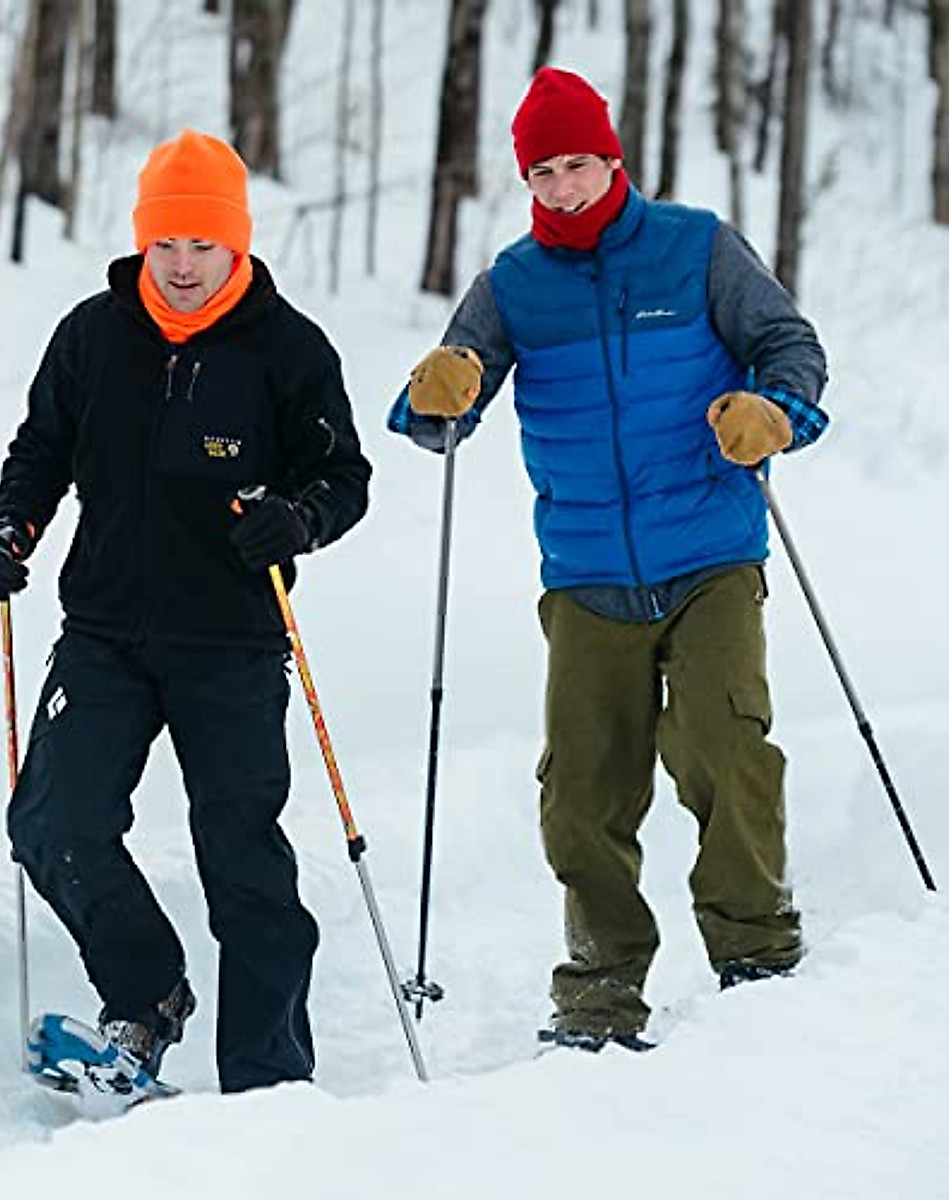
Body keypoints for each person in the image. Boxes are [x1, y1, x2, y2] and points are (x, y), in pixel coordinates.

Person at [388, 68, 829, 1052]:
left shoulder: (696, 249)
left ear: (611, 158)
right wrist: (438, 391)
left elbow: (788, 345)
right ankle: (598, 989)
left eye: (576, 165)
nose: (561, 188)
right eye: (541, 172)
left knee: (724, 747)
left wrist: (775, 415)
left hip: (711, 548)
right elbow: (435, 413)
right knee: (583, 789)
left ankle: (756, 954)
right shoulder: (511, 284)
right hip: (586, 569)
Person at [0, 129, 371, 1093]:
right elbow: (41, 452)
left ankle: (269, 1081)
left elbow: (341, 476)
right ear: (142, 243)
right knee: (52, 821)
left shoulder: (287, 348)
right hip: (105, 631)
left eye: (204, 246)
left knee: (243, 861)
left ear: (237, 247)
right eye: (167, 245)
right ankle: (146, 1001)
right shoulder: (93, 334)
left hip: (231, 642)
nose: (184, 266)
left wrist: (298, 519)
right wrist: (6, 531)